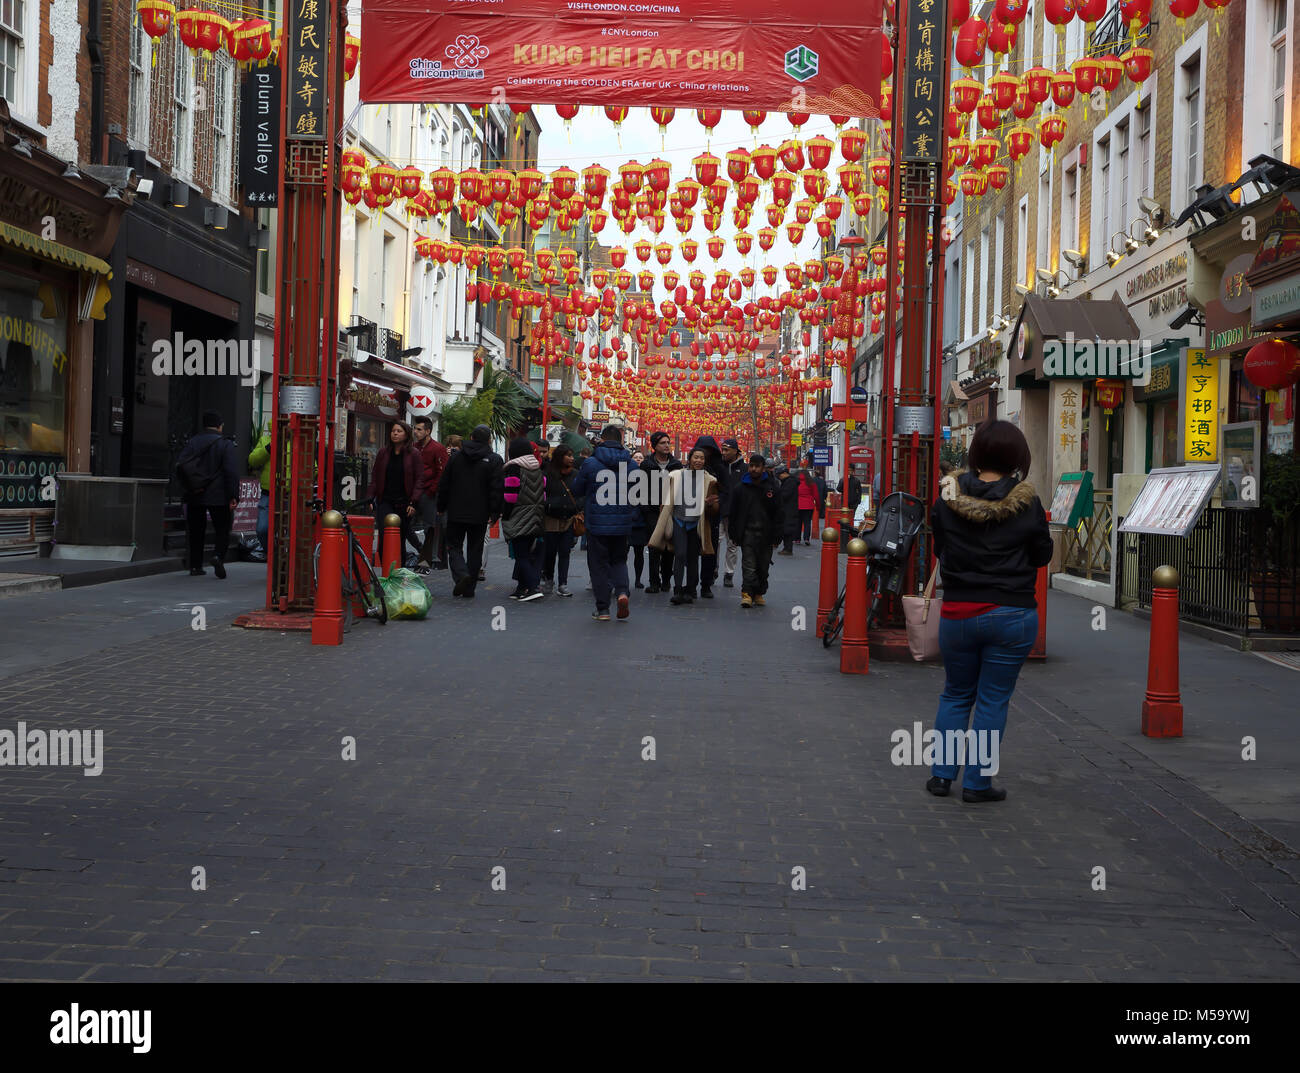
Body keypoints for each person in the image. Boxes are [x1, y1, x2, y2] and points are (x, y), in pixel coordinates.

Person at [926, 420, 1053, 804]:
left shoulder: (947, 498)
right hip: (1011, 613)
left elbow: (939, 550)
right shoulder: (1027, 501)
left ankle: (941, 776)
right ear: (1017, 457)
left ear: (975, 454)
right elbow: (1042, 554)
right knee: (993, 699)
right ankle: (977, 784)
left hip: (959, 611)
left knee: (955, 694)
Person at [571, 424, 640, 621]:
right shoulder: (632, 464)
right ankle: (622, 593)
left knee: (599, 565)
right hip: (622, 522)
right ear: (620, 441)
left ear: (602, 439)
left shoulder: (591, 463)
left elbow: (577, 490)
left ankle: (602, 609)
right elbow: (638, 495)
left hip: (597, 523)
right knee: (619, 560)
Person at [437, 424, 503, 598]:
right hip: (480, 513)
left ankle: (461, 574)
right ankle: (469, 586)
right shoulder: (494, 459)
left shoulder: (456, 458)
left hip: (456, 509)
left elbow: (445, 483)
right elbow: (496, 488)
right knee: (475, 549)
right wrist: (495, 512)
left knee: (454, 546)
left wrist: (441, 506)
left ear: (471, 438)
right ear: (489, 440)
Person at [650, 447, 718, 606]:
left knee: (693, 558)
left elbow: (715, 509)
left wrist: (710, 505)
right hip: (679, 520)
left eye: (701, 458)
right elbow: (665, 499)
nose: (699, 461)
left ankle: (690, 590)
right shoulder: (676, 475)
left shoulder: (710, 480)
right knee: (680, 554)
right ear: (690, 459)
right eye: (696, 457)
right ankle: (678, 589)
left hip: (697, 523)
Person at [176, 410, 239, 578]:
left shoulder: (192, 442)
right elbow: (230, 471)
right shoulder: (225, 444)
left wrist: (189, 487)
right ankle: (218, 556)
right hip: (218, 495)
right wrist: (233, 495)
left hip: (195, 493)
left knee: (196, 530)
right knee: (222, 528)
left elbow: (181, 466)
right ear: (219, 426)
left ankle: (195, 566)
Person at [493, 437, 547, 602]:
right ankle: (521, 588)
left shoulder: (514, 468)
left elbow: (510, 496)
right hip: (536, 516)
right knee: (526, 553)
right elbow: (543, 494)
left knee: (521, 555)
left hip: (519, 516)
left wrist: (506, 515)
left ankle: (532, 588)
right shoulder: (537, 468)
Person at [367, 420, 425, 569]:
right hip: (385, 500)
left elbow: (419, 479)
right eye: (393, 431)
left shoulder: (414, 454)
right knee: (384, 537)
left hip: (404, 503)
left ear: (406, 435)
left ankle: (399, 572)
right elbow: (375, 476)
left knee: (400, 539)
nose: (395, 434)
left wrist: (413, 502)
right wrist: (370, 497)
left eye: (399, 431)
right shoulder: (383, 453)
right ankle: (386, 571)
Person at [730, 453, 783, 608]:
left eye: (757, 466)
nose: (753, 469)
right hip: (748, 532)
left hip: (767, 533)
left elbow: (779, 512)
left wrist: (778, 535)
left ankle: (759, 592)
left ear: (763, 468)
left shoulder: (772, 487)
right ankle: (747, 593)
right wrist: (734, 533)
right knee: (749, 564)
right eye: (751, 466)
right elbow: (734, 512)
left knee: (763, 566)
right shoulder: (740, 488)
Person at [689, 434, 731, 598]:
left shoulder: (719, 468)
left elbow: (726, 491)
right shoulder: (690, 469)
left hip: (711, 517)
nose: (704, 454)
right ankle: (691, 585)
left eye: (708, 451)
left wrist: (717, 501)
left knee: (709, 551)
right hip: (692, 515)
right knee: (692, 553)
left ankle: (706, 584)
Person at [640, 431, 680, 594]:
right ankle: (654, 582)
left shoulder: (676, 465)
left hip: (671, 510)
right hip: (652, 510)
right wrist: (645, 508)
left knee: (669, 545)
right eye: (663, 443)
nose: (666, 445)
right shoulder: (647, 465)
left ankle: (666, 580)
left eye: (667, 442)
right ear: (655, 446)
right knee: (655, 546)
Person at [541, 445, 581, 597]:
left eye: (572, 455)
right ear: (560, 457)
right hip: (551, 518)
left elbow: (581, 493)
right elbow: (542, 494)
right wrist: (550, 504)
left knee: (565, 552)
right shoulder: (548, 474)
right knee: (549, 552)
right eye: (568, 455)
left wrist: (577, 505)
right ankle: (548, 579)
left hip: (569, 519)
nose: (572, 458)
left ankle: (563, 583)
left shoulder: (576, 474)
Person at [411, 417, 449, 574]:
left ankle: (426, 561)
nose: (415, 432)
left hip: (428, 493)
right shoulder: (414, 447)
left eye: (419, 429)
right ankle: (421, 552)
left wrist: (432, 490)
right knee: (406, 525)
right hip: (414, 492)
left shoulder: (437, 448)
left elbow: (442, 472)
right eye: (415, 428)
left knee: (429, 527)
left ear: (428, 431)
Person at [718, 437, 746, 589]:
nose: (723, 453)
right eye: (722, 449)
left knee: (732, 544)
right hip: (718, 510)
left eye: (726, 450)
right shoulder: (719, 467)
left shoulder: (744, 469)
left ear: (735, 451)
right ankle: (713, 569)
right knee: (715, 541)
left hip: (735, 512)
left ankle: (729, 573)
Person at [247, 427, 272, 561]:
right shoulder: (265, 440)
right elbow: (252, 460)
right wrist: (269, 448)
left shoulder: (298, 440)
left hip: (290, 494)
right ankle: (271, 554)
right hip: (268, 493)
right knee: (262, 529)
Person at [776, 464, 800, 555]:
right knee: (786, 529)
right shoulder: (789, 481)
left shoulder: (790, 482)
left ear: (785, 473)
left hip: (789, 509)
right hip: (788, 509)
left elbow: (785, 495)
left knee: (787, 529)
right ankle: (787, 547)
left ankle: (788, 548)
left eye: (780, 474)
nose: (779, 477)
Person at [796, 468, 818, 545]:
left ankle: (797, 539)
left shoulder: (797, 482)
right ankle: (806, 539)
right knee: (807, 523)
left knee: (798, 522)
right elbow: (816, 495)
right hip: (808, 505)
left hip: (798, 505)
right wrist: (818, 506)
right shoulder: (811, 482)